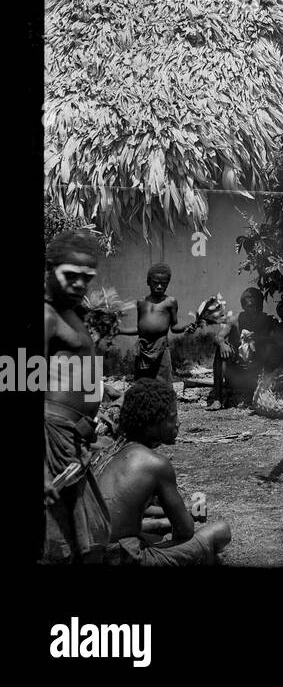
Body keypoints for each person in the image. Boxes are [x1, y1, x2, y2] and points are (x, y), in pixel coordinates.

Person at [96, 378, 231, 565]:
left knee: (154, 539)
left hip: (89, 552)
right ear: (153, 423)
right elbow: (185, 530)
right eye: (172, 416)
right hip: (120, 558)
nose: (178, 423)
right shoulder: (156, 464)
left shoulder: (111, 450)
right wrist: (188, 514)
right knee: (220, 531)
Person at [43, 229, 114, 563]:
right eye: (70, 276)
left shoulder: (70, 313)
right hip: (51, 441)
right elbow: (12, 383)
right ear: (49, 269)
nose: (79, 285)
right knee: (57, 547)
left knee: (83, 544)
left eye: (86, 279)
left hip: (72, 440)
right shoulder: (45, 316)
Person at [114, 263, 191, 385]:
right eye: (156, 283)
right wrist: (119, 330)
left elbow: (174, 327)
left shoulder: (170, 302)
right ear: (148, 282)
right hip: (143, 349)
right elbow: (140, 330)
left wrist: (187, 327)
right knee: (143, 383)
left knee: (163, 383)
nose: (160, 286)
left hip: (161, 349)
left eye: (164, 283)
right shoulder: (141, 303)